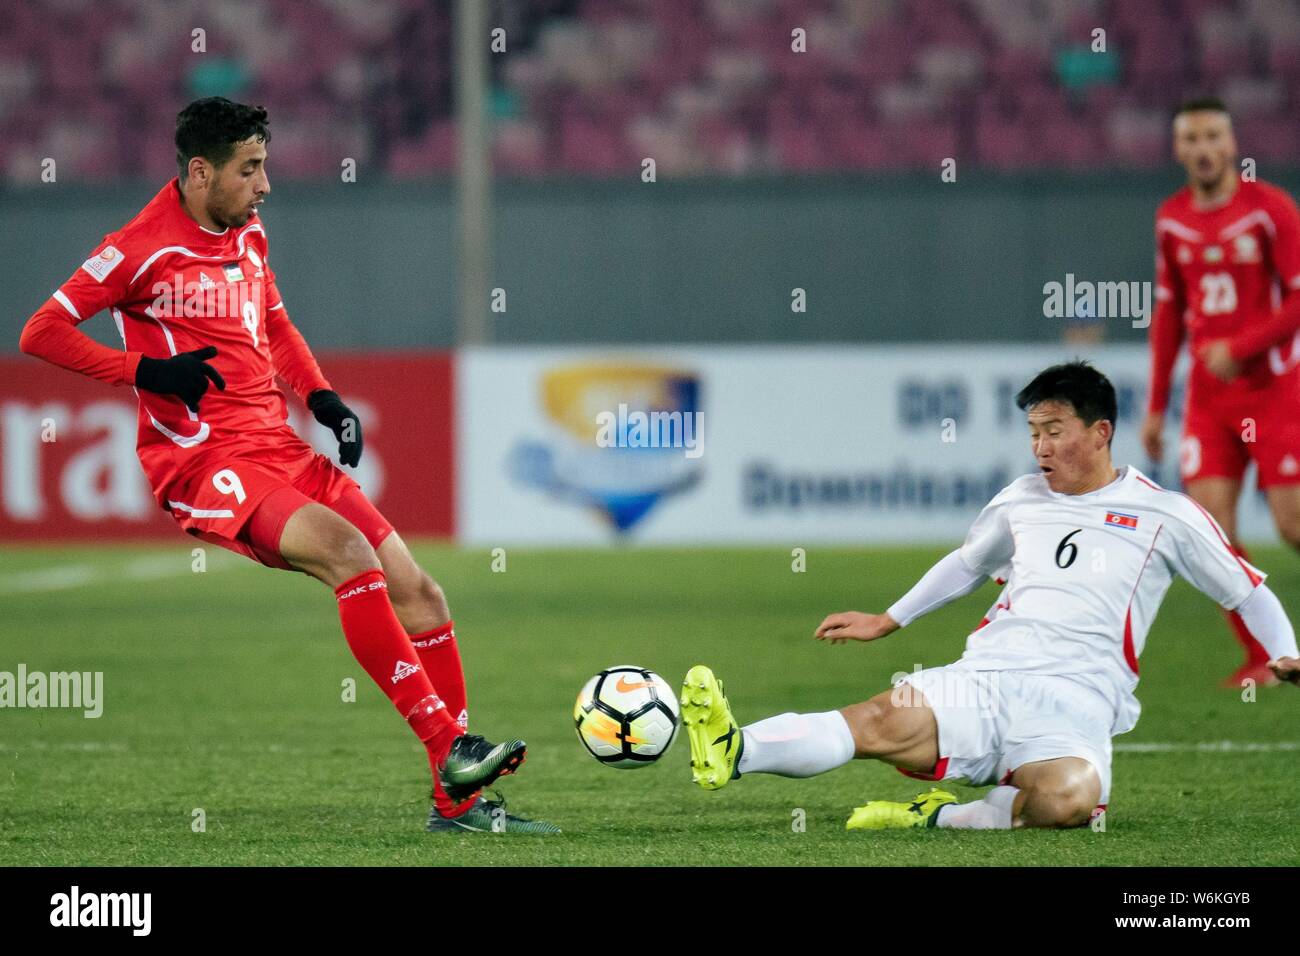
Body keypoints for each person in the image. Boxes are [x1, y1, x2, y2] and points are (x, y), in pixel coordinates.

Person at [18, 97, 557, 834]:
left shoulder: (247, 233)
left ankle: (457, 800)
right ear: (201, 171)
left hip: (278, 445)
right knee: (350, 553)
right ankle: (450, 748)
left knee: (421, 592)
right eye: (250, 169)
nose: (265, 184)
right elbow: (39, 331)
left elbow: (273, 322)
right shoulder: (140, 247)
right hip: (205, 462)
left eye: (264, 165)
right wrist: (144, 372)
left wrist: (324, 397)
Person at [682, 362, 1299, 830]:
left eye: (1054, 431)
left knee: (1067, 801)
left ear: (1102, 432)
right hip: (988, 674)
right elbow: (967, 564)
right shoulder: (1020, 499)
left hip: (1079, 700)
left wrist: (1284, 651)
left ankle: (941, 816)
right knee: (880, 718)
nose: (1041, 448)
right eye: (1034, 432)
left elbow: (1248, 591)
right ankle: (736, 749)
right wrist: (887, 621)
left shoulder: (1166, 514)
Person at [1140, 96, 1300, 687]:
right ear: (1178, 149)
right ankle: (1266, 658)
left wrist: (1243, 347)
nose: (1204, 149)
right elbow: (1169, 312)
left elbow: (1298, 298)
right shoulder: (1171, 218)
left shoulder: (1270, 211)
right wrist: (1157, 405)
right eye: (1192, 139)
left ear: (1232, 145)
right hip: (1209, 403)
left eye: (1213, 137)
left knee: (1293, 527)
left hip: (1275, 391)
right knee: (1209, 533)